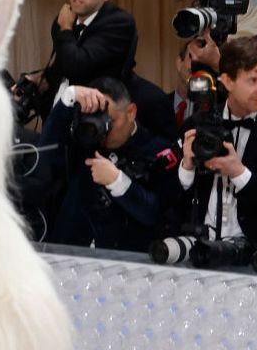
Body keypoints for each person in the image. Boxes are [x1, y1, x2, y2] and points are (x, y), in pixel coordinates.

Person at [177, 36, 257, 248]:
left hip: (256, 253)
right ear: (227, 81)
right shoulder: (196, 124)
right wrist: (186, 167)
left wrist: (239, 173)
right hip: (199, 246)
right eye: (253, 80)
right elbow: (172, 201)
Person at [39, 78, 181, 250]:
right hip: (70, 253)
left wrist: (117, 181)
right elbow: (45, 154)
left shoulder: (159, 149)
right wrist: (69, 97)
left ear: (131, 112)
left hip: (125, 262)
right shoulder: (83, 138)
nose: (103, 129)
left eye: (110, 121)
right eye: (96, 119)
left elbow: (154, 213)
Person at [31, 0, 137, 119]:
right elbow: (62, 67)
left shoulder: (119, 23)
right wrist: (42, 79)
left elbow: (75, 66)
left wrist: (65, 28)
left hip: (89, 127)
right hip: (54, 121)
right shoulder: (65, 21)